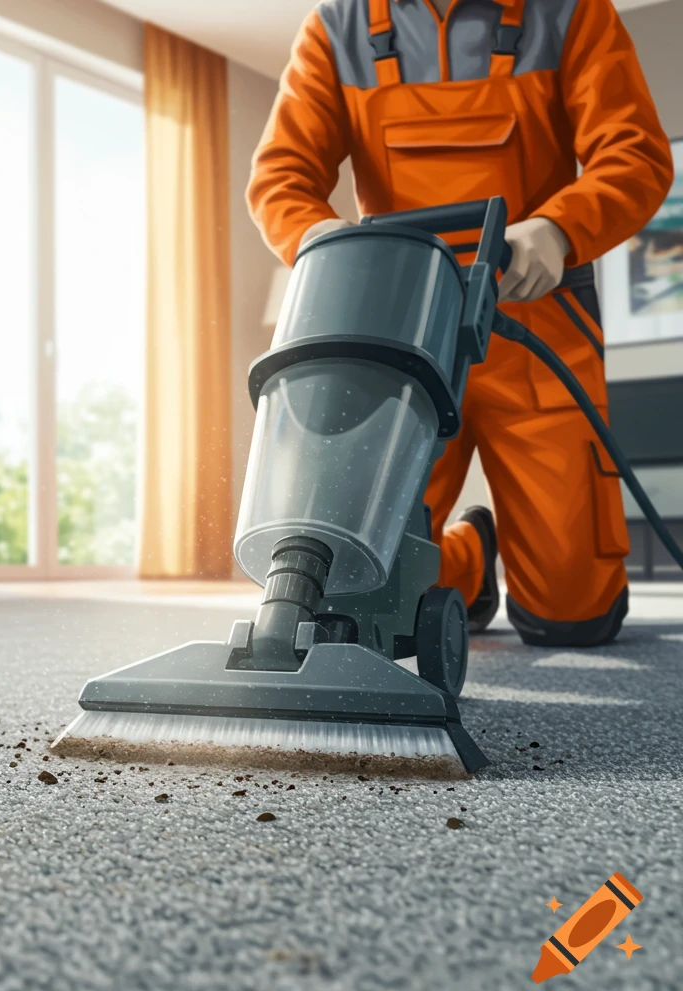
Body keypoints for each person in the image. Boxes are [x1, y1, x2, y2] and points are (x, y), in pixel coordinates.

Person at [247, 0, 674, 646]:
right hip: (398, 338)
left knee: (572, 618)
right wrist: (326, 242)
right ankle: (470, 557)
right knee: (354, 602)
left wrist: (559, 229)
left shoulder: (571, 13)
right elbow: (281, 176)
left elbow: (635, 155)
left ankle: (539, 586)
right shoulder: (340, 27)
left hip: (536, 325)